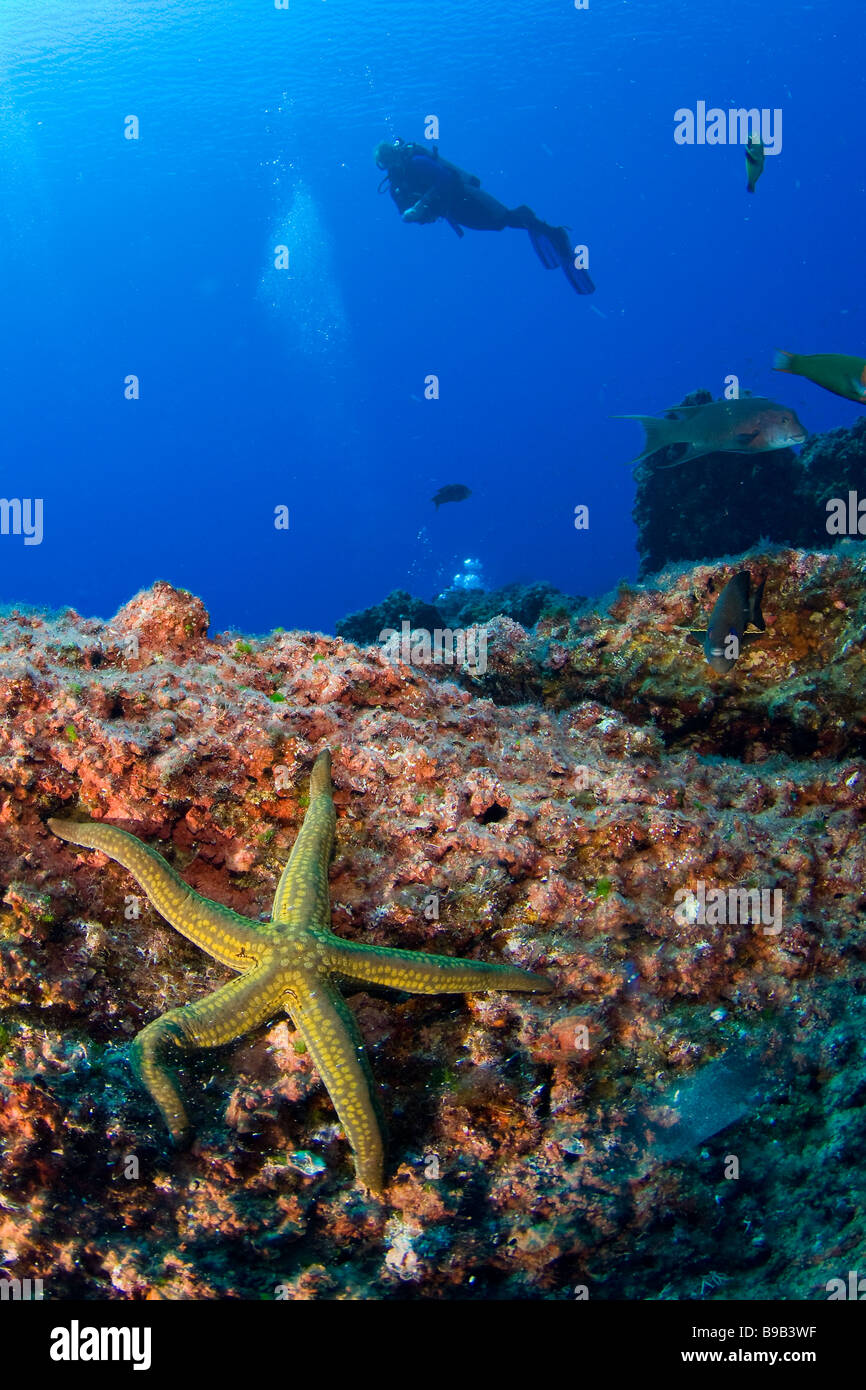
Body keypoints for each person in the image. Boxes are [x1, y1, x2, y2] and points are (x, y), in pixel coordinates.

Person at [374, 138, 595, 296]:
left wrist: (422, 204)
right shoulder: (397, 187)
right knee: (498, 224)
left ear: (397, 156)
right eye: (386, 164)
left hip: (466, 197)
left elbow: (447, 179)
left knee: (504, 219)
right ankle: (532, 222)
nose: (392, 167)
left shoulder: (417, 163)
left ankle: (554, 234)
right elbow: (407, 211)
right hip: (455, 212)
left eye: (392, 160)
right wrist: (417, 215)